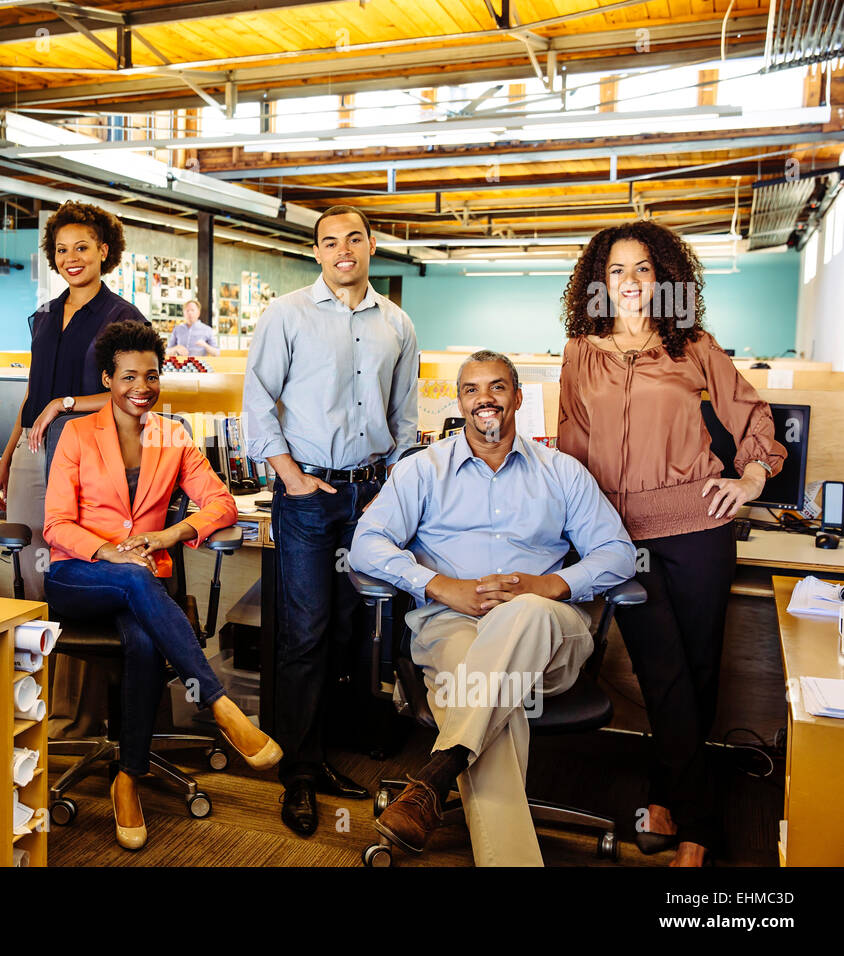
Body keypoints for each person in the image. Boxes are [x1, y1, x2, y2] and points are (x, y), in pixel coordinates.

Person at [558, 221, 786, 867]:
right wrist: (569, 525)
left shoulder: (692, 345)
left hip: (697, 524)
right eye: (617, 270)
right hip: (616, 536)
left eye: (643, 270)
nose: (629, 283)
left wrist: (749, 477)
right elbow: (572, 447)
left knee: (700, 668)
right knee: (663, 672)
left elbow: (754, 415)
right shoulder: (580, 351)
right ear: (599, 283)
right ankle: (703, 822)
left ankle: (665, 799)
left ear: (663, 279)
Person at [350, 352, 636, 865]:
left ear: (518, 398)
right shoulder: (422, 471)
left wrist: (549, 585)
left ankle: (438, 771)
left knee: (522, 615)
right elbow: (368, 542)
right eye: (472, 389)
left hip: (549, 638)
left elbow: (618, 554)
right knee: (483, 700)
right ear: (460, 403)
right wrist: (439, 585)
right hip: (451, 626)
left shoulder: (562, 472)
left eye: (498, 387)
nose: (485, 398)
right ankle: (455, 787)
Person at [42, 321, 281, 850]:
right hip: (77, 577)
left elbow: (219, 503)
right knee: (131, 579)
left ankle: (127, 778)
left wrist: (168, 534)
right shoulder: (76, 435)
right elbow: (56, 524)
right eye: (128, 376)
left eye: (151, 376)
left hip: (144, 581)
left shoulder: (173, 436)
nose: (141, 387)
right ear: (107, 379)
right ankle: (221, 706)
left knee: (145, 636)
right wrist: (109, 550)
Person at [242, 204, 420, 836]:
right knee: (306, 631)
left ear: (372, 245)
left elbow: (404, 418)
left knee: (353, 629)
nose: (342, 250)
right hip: (309, 494)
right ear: (315, 252)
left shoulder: (397, 323)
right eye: (328, 241)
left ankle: (323, 753)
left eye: (353, 238)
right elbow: (257, 402)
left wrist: (394, 486)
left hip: (370, 494)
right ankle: (300, 770)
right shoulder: (287, 314)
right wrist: (289, 476)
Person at [0, 201, 145, 602]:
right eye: (61, 249)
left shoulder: (123, 316)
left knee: (80, 553)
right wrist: (8, 456)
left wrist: (66, 403)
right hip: (33, 446)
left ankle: (79, 657)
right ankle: (39, 652)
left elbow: (134, 394)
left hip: (88, 451)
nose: (71, 258)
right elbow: (32, 390)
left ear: (104, 251)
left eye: (82, 247)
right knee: (28, 554)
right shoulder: (44, 314)